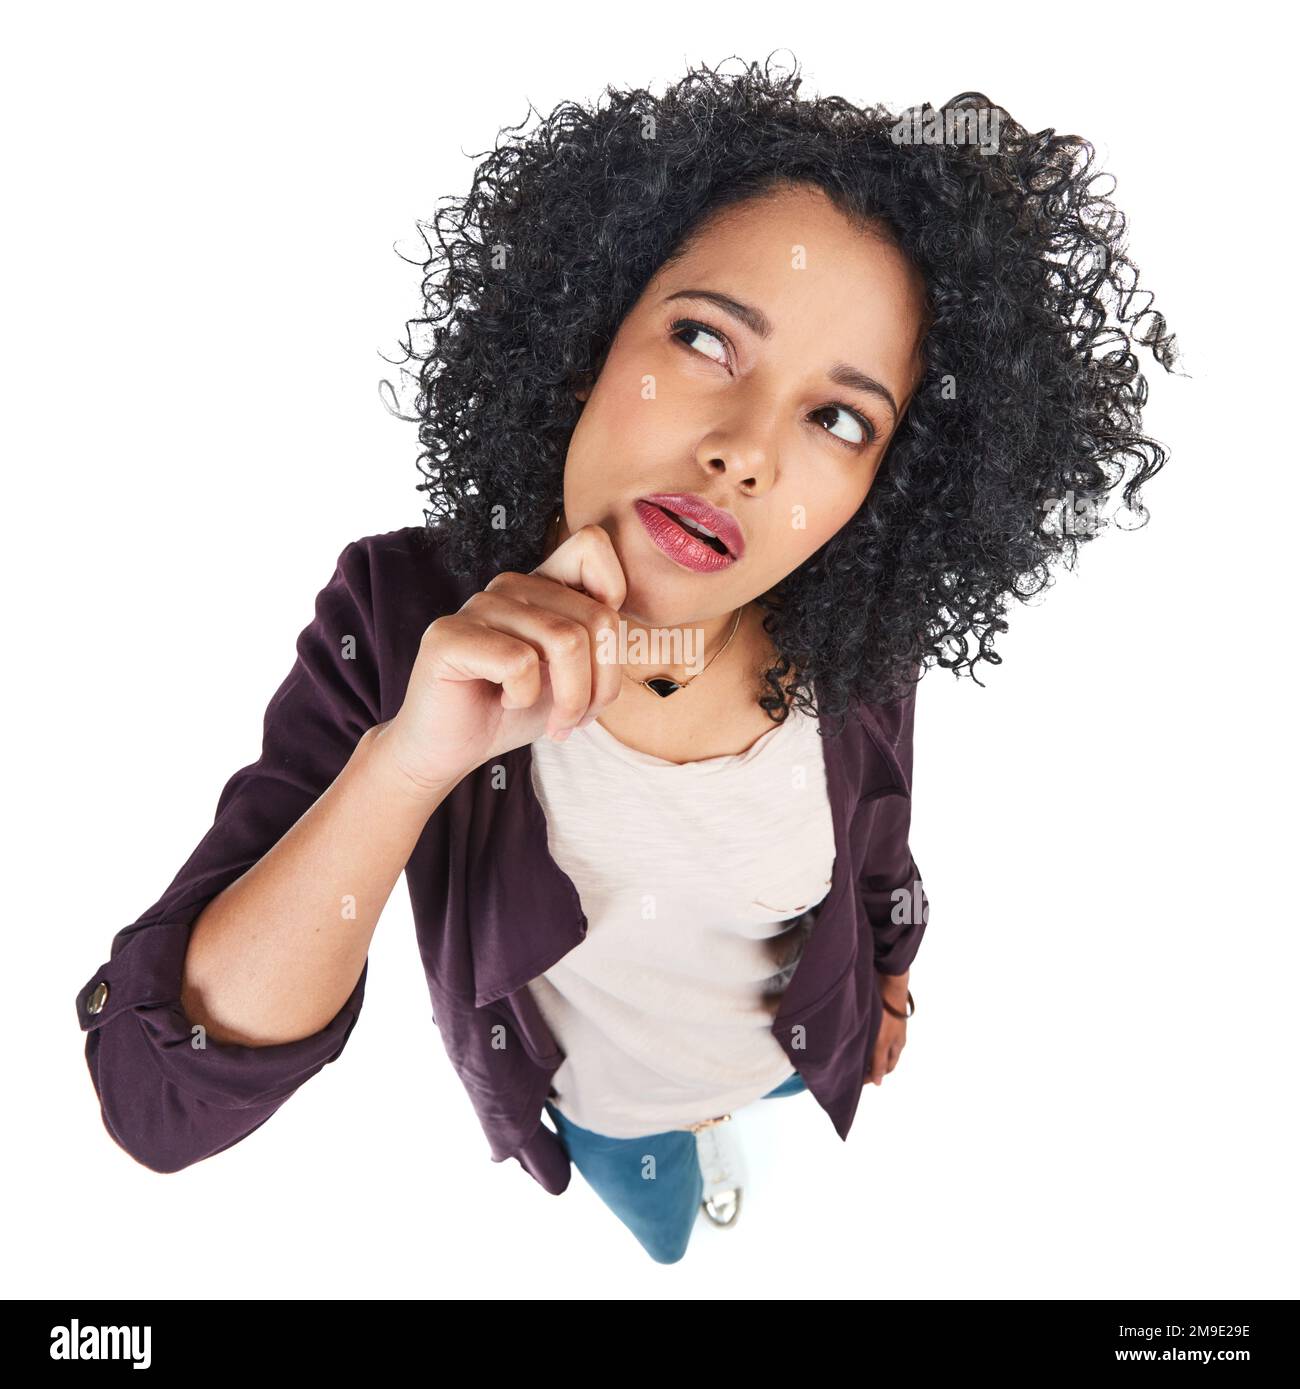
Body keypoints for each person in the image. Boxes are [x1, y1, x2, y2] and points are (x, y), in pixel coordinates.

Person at [75, 54, 1178, 1265]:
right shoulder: (399, 618)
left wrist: (893, 971)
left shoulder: (857, 641)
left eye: (840, 417)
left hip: (802, 1049)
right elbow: (159, 1105)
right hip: (603, 1118)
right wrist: (407, 765)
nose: (747, 451)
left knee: (771, 1150)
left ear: (884, 490)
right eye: (707, 338)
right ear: (588, 331)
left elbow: (880, 837)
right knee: (662, 1235)